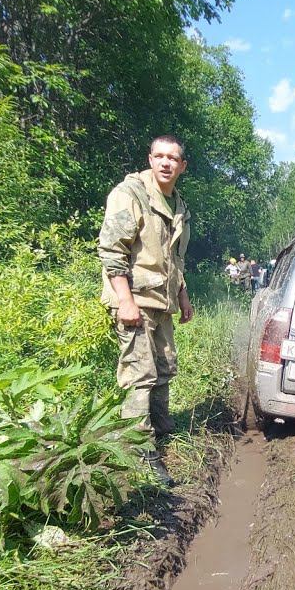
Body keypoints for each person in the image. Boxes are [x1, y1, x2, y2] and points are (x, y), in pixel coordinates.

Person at [98, 134, 193, 487]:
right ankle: (139, 451)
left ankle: (161, 429)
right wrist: (125, 300)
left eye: (173, 158)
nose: (166, 163)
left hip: (162, 302)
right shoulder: (131, 194)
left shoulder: (179, 205)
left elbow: (175, 258)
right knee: (140, 374)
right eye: (160, 156)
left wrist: (183, 295)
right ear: (150, 159)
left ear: (182, 166)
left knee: (165, 366)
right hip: (135, 300)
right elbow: (112, 251)